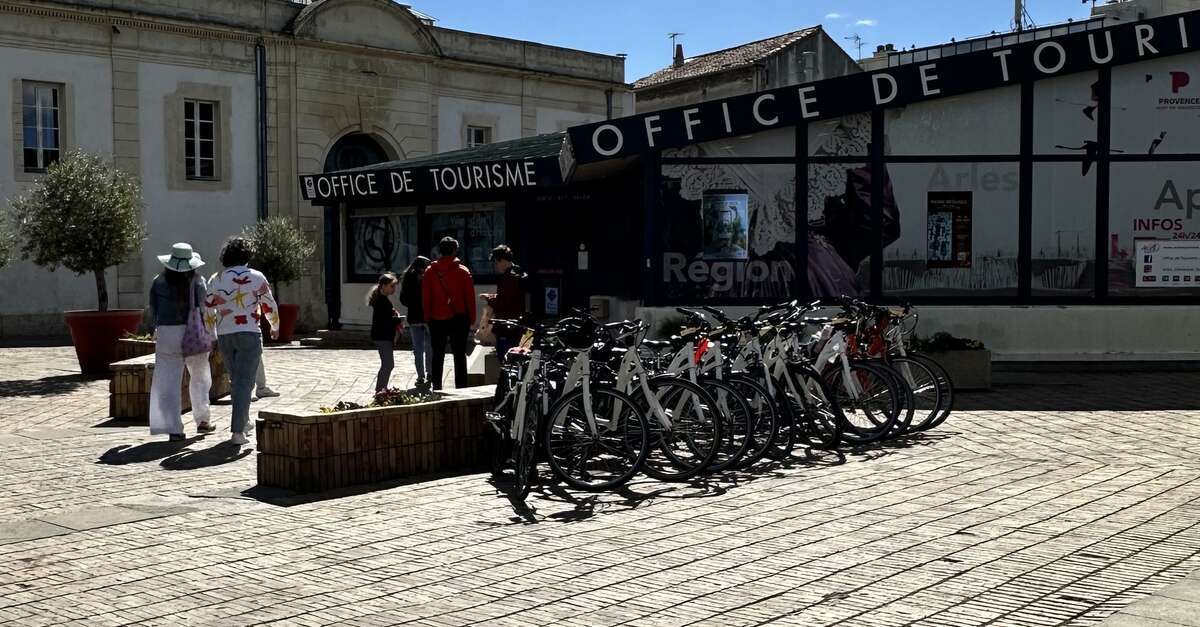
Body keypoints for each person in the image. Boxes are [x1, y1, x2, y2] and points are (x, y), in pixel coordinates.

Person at [205, 236, 279, 446]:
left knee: (237, 381)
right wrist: (275, 326)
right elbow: (268, 304)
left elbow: (208, 308)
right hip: (249, 332)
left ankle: (243, 423)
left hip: (226, 335)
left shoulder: (215, 278)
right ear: (247, 255)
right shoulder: (256, 276)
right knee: (245, 383)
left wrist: (211, 335)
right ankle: (237, 431)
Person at [148, 243, 214, 441]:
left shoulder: (158, 282)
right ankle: (202, 420)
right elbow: (206, 310)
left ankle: (174, 428)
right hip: (193, 332)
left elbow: (153, 310)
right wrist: (211, 334)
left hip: (167, 333)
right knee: (200, 377)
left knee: (167, 381)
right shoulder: (198, 282)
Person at [423, 237, 475, 390]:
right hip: (459, 316)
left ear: (439, 251)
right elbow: (469, 297)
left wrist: (427, 317)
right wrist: (471, 317)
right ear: (455, 250)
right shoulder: (463, 271)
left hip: (436, 317)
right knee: (459, 354)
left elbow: (426, 297)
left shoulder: (430, 271)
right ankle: (461, 386)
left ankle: (437, 386)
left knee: (437, 354)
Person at [482, 244, 527, 357]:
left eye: (496, 263)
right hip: (519, 323)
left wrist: (489, 298)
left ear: (502, 260)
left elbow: (504, 302)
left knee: (506, 357)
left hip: (508, 325)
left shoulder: (510, 278)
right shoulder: (519, 271)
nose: (496, 266)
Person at [398, 256, 432, 390]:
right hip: (428, 317)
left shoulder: (407, 279)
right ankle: (430, 373)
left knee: (417, 349)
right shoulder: (429, 278)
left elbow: (403, 299)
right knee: (430, 347)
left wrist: (413, 304)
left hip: (414, 317)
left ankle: (420, 375)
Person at [367, 272, 402, 392]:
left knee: (387, 364)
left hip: (382, 335)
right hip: (382, 336)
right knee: (388, 364)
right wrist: (398, 319)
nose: (394, 289)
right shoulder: (381, 301)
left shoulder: (383, 300)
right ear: (383, 286)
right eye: (391, 286)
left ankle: (381, 388)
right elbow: (385, 320)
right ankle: (380, 390)